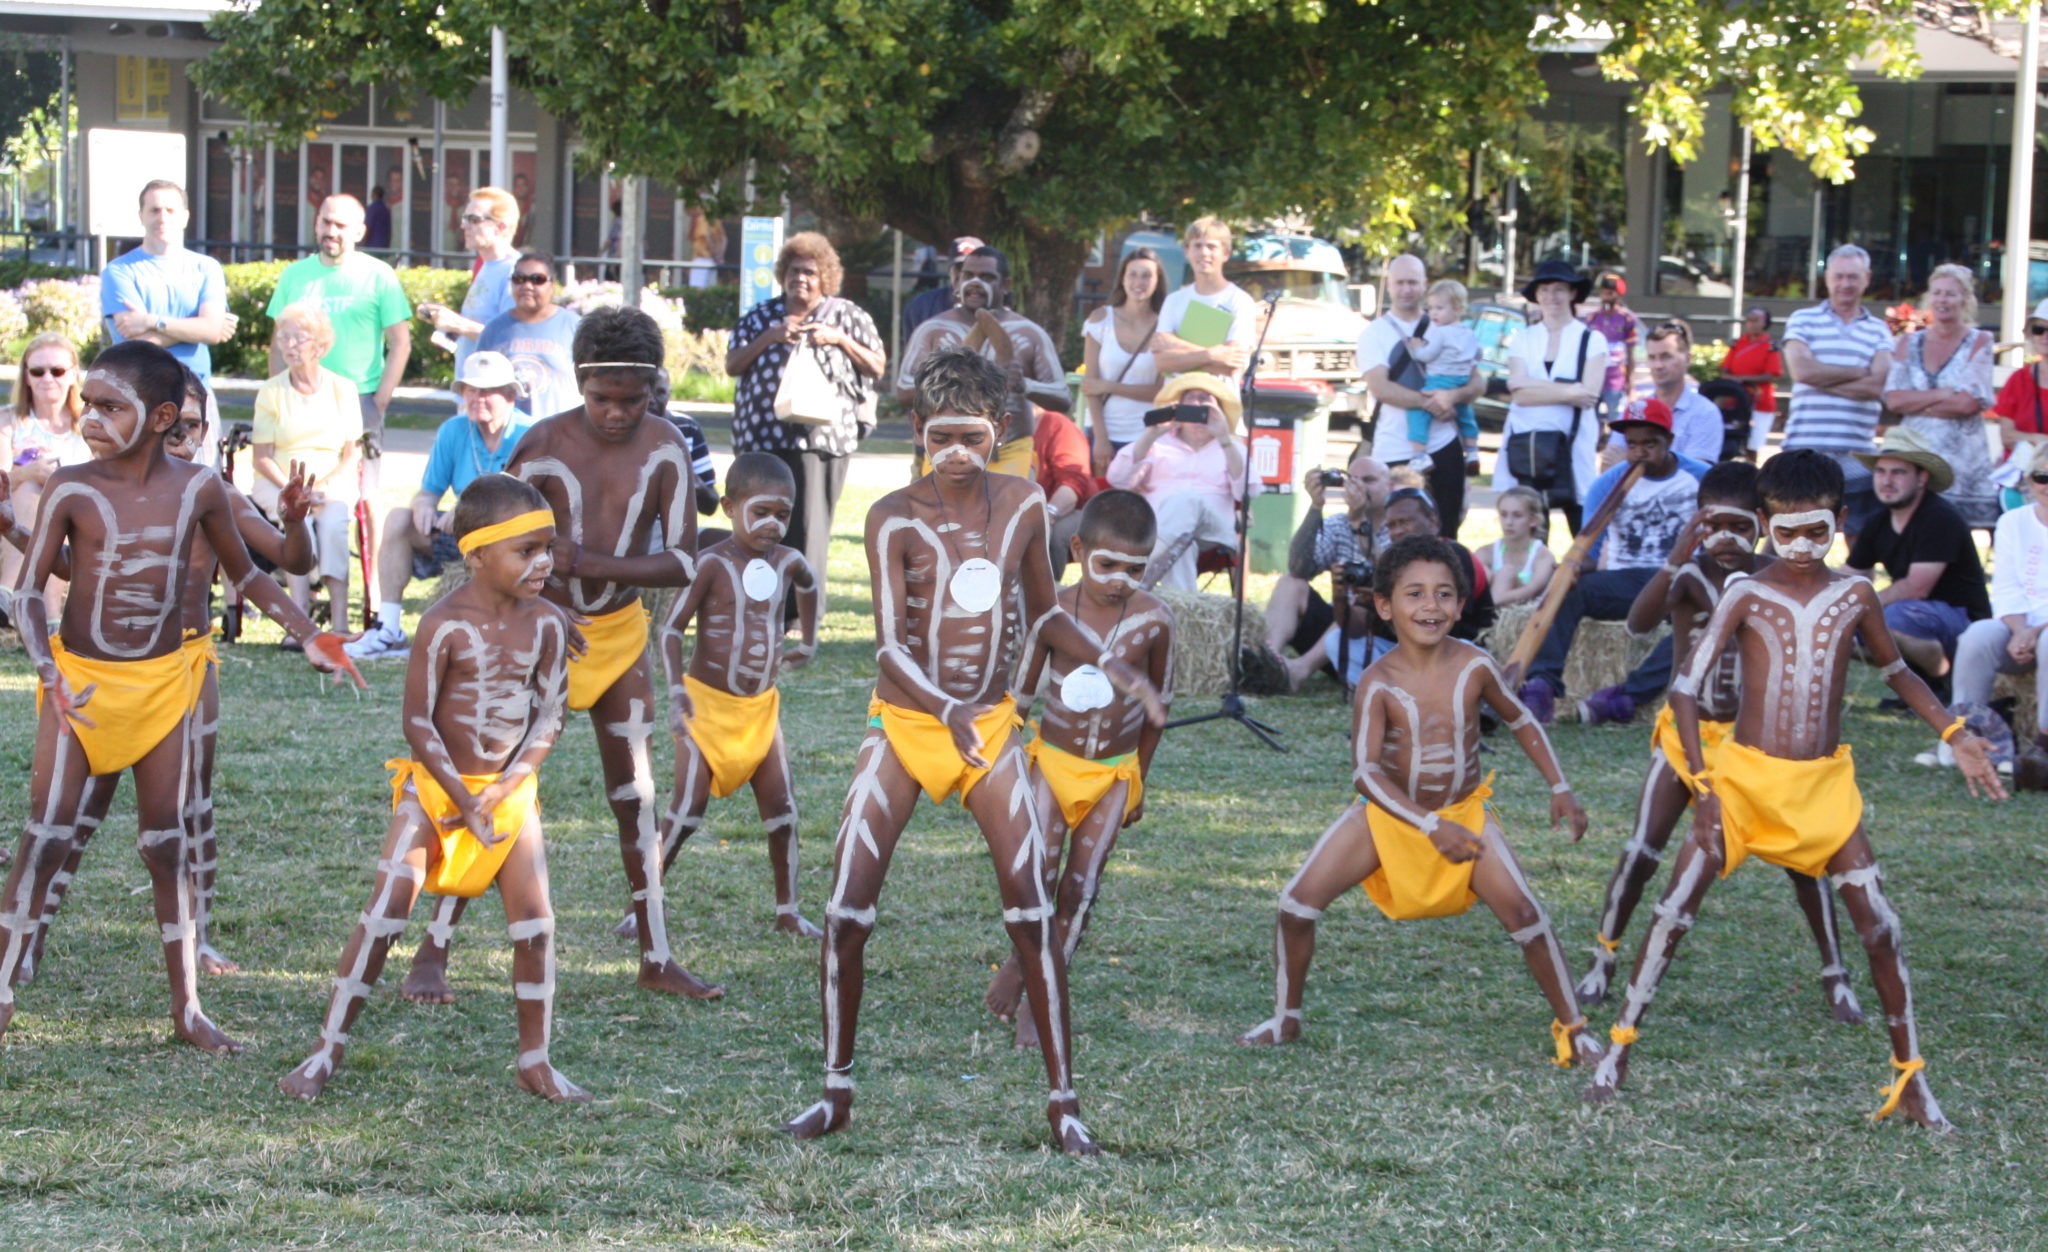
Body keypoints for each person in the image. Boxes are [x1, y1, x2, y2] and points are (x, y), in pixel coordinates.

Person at [780, 349, 1165, 1156]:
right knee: (847, 913)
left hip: (987, 728)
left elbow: (1046, 612)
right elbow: (889, 648)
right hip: (908, 723)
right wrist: (944, 707)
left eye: (975, 437)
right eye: (941, 436)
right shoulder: (891, 514)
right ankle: (834, 1092)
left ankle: (1064, 1106)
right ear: (917, 431)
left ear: (1004, 435)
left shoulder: (1025, 505)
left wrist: (1106, 660)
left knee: (1030, 915)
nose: (957, 454)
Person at [1584, 450, 2006, 1129]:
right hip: (1744, 782)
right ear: (1763, 525)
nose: (1803, 547)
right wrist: (1706, 787)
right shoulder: (1745, 593)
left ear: (1841, 521)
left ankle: (1912, 1082)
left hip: (1822, 788)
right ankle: (1618, 1048)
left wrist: (1954, 732)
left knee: (1881, 928)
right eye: (1786, 533)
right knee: (1673, 910)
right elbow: (1686, 690)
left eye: (1818, 531)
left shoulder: (1855, 594)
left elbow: (1898, 671)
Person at [0, 342, 334, 1053]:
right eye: (88, 404)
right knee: (45, 836)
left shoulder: (201, 488)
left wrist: (309, 633)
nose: (89, 418)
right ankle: (4, 985)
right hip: (82, 686)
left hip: (165, 686)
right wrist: (45, 667)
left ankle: (188, 1010)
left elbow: (253, 575)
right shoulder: (69, 485)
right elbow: (32, 590)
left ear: (160, 418)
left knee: (166, 845)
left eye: (109, 407)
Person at [399, 308, 720, 1004]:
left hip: (619, 636)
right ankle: (433, 949)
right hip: (539, 633)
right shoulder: (542, 444)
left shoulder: (665, 448)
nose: (616, 413)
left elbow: (683, 562)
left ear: (654, 388)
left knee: (635, 796)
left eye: (632, 400)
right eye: (602, 398)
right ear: (579, 383)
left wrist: (592, 561)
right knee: (492, 783)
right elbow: (489, 540)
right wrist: (547, 606)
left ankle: (656, 951)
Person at [279, 475, 589, 1104]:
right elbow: (417, 721)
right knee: (385, 910)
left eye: (547, 549)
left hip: (509, 796)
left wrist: (506, 788)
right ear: (475, 555)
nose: (543, 564)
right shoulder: (443, 623)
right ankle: (325, 1051)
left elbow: (551, 714)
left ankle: (536, 1059)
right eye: (525, 551)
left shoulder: (549, 625)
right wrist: (462, 795)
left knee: (536, 926)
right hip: (437, 791)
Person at [1235, 534, 1599, 1068]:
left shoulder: (1475, 665)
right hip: (1391, 817)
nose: (1431, 606)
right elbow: (1365, 773)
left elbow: (1520, 719)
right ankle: (1286, 1018)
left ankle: (1576, 1028)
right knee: (1295, 905)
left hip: (1463, 814)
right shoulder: (1377, 682)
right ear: (1384, 606)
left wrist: (1560, 786)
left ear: (1460, 604)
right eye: (1415, 594)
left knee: (1526, 913)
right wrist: (1428, 825)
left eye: (1445, 594)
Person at [1571, 461, 1860, 1019]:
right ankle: (1603, 958)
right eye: (1713, 527)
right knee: (1642, 850)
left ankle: (1836, 972)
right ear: (1698, 522)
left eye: (1739, 527)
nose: (1727, 541)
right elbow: (1636, 624)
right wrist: (1677, 554)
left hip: (1754, 744)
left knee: (1803, 859)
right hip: (1686, 735)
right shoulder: (1687, 576)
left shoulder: (1775, 577)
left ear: (1760, 523)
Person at [984, 489, 1173, 1049]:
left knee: (1081, 888)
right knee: (1034, 875)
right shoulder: (1054, 614)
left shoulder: (1155, 621)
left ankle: (1043, 998)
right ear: (1077, 549)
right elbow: (1018, 698)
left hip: (1113, 774)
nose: (1120, 580)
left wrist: (1139, 779)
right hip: (1052, 763)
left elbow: (1157, 709)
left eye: (1135, 569)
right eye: (1107, 564)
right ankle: (1022, 968)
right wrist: (1002, 766)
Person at [645, 453, 821, 940]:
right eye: (760, 512)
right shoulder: (711, 564)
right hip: (706, 707)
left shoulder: (787, 561)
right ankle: (644, 902)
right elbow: (670, 631)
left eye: (783, 515)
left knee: (783, 812)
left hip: (760, 710)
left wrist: (808, 637)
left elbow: (808, 585)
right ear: (728, 506)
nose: (772, 525)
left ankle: (788, 909)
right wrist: (678, 691)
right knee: (686, 811)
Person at [1517, 398, 1709, 726]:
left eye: (1651, 443)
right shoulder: (1607, 484)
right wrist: (1570, 570)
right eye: (1632, 444)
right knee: (1568, 590)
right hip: (1626, 580)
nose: (1640, 453)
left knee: (1701, 621)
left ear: (1670, 442)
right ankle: (1541, 686)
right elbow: (1591, 556)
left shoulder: (1702, 479)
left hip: (1682, 580)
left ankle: (1626, 698)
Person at [726, 232, 886, 613]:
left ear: (825, 276)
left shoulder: (847, 315)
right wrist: (770, 337)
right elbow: (732, 364)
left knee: (810, 528)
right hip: (764, 437)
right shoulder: (761, 316)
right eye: (795, 270)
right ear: (782, 273)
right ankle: (763, 602)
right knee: (762, 521)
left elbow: (878, 365)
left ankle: (803, 612)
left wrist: (839, 340)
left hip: (822, 440)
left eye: (811, 272)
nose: (801, 278)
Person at [348, 351, 537, 659]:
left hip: (511, 539)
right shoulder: (454, 429)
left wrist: (469, 509)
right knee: (398, 518)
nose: (477, 398)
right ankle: (389, 629)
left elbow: (528, 503)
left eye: (487, 391)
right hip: (460, 534)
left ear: (510, 395)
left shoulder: (529, 433)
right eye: (470, 390)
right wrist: (423, 505)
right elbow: (428, 491)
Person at [266, 192, 413, 583]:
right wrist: (276, 391)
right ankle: (303, 577)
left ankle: (376, 587)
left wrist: (379, 400)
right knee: (299, 488)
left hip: (359, 397)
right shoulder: (294, 276)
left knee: (365, 498)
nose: (332, 231)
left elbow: (401, 342)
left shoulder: (379, 275)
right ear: (316, 224)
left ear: (360, 231)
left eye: (341, 225)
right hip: (298, 397)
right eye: (326, 222)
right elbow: (276, 342)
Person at [1264, 487, 1494, 694]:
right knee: (1336, 641)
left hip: (1451, 651)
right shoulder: (1390, 565)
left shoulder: (1454, 555)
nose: (1399, 531)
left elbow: (1444, 621)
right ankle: (1392, 694)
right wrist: (1342, 596)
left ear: (1432, 521)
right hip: (1407, 657)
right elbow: (1354, 630)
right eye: (1392, 525)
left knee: (1466, 652)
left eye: (1406, 521)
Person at [895, 243, 1068, 477]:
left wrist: (1025, 385)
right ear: (957, 280)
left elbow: (1062, 397)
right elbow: (904, 391)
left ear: (1005, 284)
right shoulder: (932, 330)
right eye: (968, 275)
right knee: (944, 515)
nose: (975, 283)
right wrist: (948, 383)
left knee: (1008, 515)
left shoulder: (1029, 333)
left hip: (1010, 451)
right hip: (947, 451)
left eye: (986, 276)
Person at [1845, 428, 1990, 693]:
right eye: (1881, 471)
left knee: (1895, 618)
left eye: (1898, 472)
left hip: (1962, 620)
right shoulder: (1877, 521)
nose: (1886, 481)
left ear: (1922, 477)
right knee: (1841, 627)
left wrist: (1860, 609)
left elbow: (1916, 587)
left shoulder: (1940, 517)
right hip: (1916, 615)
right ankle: (1914, 688)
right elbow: (1852, 573)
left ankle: (1939, 683)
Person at [251, 303, 362, 623]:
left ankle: (340, 622)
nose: (289, 345)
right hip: (277, 479)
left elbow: (351, 454)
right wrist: (292, 490)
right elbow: (261, 458)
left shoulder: (343, 388)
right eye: (283, 338)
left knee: (333, 524)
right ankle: (298, 620)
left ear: (320, 345)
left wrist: (322, 488)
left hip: (331, 480)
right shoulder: (270, 391)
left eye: (298, 338)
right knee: (294, 521)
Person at [1359, 255, 1485, 536]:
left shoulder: (1447, 327)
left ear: (1425, 285)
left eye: (1413, 282)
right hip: (1395, 446)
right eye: (1400, 283)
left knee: (1446, 532)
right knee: (1392, 534)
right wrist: (1431, 403)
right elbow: (1380, 387)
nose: (1406, 289)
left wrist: (1453, 397)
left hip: (1444, 445)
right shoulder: (1375, 333)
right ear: (1388, 285)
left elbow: (1478, 383)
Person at [1782, 244, 1894, 537]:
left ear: (1867, 278)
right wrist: (1859, 373)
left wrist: (1823, 376)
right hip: (1803, 451)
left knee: (1859, 544)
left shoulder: (1879, 330)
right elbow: (1802, 372)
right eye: (1839, 276)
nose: (1845, 284)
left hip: (1857, 456)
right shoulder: (1802, 319)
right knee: (1790, 536)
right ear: (1827, 277)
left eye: (1853, 277)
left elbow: (1880, 384)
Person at [1104, 373, 1255, 591]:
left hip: (1214, 532)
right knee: (1182, 547)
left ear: (1219, 410)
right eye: (1191, 398)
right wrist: (1150, 436)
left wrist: (1224, 438)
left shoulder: (1233, 448)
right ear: (1179, 407)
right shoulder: (1156, 444)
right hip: (1161, 529)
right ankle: (1179, 614)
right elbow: (1117, 479)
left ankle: (1133, 569)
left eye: (1206, 399)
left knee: (1189, 501)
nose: (1198, 404)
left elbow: (1246, 493)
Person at [1249, 451, 1390, 676]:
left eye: (1369, 480)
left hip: (1373, 637)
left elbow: (1388, 579)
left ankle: (1298, 671)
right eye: (1352, 480)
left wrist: (1360, 522)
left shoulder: (1401, 523)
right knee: (1291, 583)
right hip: (1333, 637)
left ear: (1390, 485)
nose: (1359, 487)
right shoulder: (1338, 524)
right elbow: (1300, 568)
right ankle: (1268, 660)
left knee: (1358, 606)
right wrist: (1316, 506)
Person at [1948, 462, 2048, 778]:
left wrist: (2036, 630)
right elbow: (2005, 588)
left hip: (2042, 630)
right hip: (2020, 623)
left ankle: (2043, 745)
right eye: (2042, 476)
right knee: (1978, 636)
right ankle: (1964, 736)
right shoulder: (2013, 522)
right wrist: (2021, 631)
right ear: (2029, 481)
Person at [1495, 259, 1609, 535]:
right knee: (1530, 535)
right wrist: (1569, 390)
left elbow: (1590, 395)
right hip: (1526, 443)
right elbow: (1519, 394)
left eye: (1559, 289)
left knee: (1582, 531)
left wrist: (1535, 388)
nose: (1551, 297)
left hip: (1572, 446)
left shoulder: (1591, 339)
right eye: (1544, 290)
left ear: (1572, 293)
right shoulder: (1524, 338)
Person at [1881, 264, 1998, 529]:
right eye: (1938, 293)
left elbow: (1968, 403)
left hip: (1963, 463)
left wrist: (1918, 401)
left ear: (1965, 300)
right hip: (1915, 452)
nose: (1942, 300)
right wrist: (1943, 393)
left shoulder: (1980, 341)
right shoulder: (1907, 343)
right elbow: (1895, 400)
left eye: (1951, 294)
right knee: (1913, 532)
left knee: (1959, 536)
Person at [99, 180, 236, 383]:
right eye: (154, 210)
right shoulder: (118, 271)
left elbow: (212, 330)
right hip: (141, 389)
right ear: (141, 216)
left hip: (196, 389)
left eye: (170, 210)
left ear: (185, 217)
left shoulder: (207, 267)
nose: (162, 218)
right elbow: (133, 345)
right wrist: (199, 330)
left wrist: (151, 321)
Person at [1, 333, 91, 617]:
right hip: (17, 514)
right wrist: (28, 472)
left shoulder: (90, 423)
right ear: (26, 377)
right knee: (31, 489)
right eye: (38, 371)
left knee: (57, 501)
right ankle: (24, 603)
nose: (47, 378)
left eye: (58, 370)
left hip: (80, 516)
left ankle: (17, 602)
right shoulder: (9, 420)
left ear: (73, 374)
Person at [418, 186, 522, 379]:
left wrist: (456, 324)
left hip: (494, 390)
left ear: (501, 227)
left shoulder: (515, 272)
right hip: (471, 386)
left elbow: (512, 337)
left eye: (474, 220)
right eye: (465, 219)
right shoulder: (485, 264)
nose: (464, 226)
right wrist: (444, 318)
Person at [1081, 247, 1166, 476]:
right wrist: (1100, 439)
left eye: (1147, 275)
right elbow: (1090, 387)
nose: (1139, 281)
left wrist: (1109, 386)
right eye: (1133, 274)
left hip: (1147, 434)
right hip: (1104, 430)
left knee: (1142, 507)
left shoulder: (1165, 325)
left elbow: (1159, 391)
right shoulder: (1101, 319)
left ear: (1158, 280)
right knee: (1104, 505)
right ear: (1122, 278)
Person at [476, 249, 582, 422]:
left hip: (562, 431)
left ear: (552, 285)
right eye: (519, 279)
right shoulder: (494, 330)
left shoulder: (575, 326)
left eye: (537, 279)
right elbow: (481, 384)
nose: (527, 286)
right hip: (510, 434)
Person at [1152, 217, 1259, 383]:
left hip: (1219, 404)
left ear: (1226, 254)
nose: (1204, 253)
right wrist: (1211, 355)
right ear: (1187, 251)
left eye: (1211, 246)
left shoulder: (1240, 301)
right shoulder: (1174, 301)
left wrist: (1176, 351)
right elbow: (1161, 362)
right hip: (1175, 403)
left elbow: (1229, 367)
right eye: (1197, 246)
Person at [1602, 323, 1721, 467]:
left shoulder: (1704, 413)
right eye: (1652, 357)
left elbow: (1693, 477)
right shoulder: (1636, 409)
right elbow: (1608, 463)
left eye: (1666, 357)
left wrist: (1628, 464)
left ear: (1687, 359)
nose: (1658, 365)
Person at [1404, 279, 1483, 475]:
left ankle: (1419, 455)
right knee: (1465, 415)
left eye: (1440, 308)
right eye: (1431, 308)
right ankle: (1472, 451)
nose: (1433, 313)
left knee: (1417, 413)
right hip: (1461, 380)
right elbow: (1478, 354)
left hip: (1439, 379)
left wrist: (1416, 348)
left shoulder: (1440, 333)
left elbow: (1426, 356)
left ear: (1457, 309)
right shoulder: (1469, 333)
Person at [1990, 299, 2048, 511]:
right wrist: (2039, 440)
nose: (2044, 336)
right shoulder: (2019, 379)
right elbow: (2007, 437)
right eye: (2039, 329)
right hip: (2022, 482)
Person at [1032, 402, 1098, 577]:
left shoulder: (1057, 425)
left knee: (1053, 534)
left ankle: (1048, 594)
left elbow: (1072, 485)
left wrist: (1048, 514)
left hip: (1077, 509)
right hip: (1019, 510)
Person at [1475, 485, 1555, 608]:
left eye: (1517, 515)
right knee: (1487, 572)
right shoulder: (1486, 552)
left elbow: (1531, 591)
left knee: (1507, 572)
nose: (1509, 522)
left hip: (1524, 616)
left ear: (1533, 520)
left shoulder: (1542, 555)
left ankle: (1488, 614)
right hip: (1493, 605)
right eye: (1504, 515)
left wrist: (1494, 601)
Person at [1721, 306, 1784, 455]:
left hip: (1760, 400)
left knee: (1753, 445)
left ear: (1765, 323)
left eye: (1756, 320)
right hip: (1735, 400)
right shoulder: (1737, 344)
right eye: (1749, 320)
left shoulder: (1770, 346)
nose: (1751, 324)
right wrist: (1729, 378)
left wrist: (1741, 379)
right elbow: (1725, 368)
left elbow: (1771, 374)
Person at [1584, 270, 1640, 424]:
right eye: (1603, 293)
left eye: (1610, 293)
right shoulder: (1592, 318)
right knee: (1590, 419)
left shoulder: (1626, 319)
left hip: (1615, 379)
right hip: (1593, 379)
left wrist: (1631, 383)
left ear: (1618, 295)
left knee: (1615, 417)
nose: (1606, 297)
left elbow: (1631, 353)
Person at [901, 235, 983, 340]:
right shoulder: (921, 307)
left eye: (972, 268)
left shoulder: (998, 311)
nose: (964, 275)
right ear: (950, 271)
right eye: (959, 268)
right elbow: (913, 353)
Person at [363, 183, 393, 250]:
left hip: (372, 245)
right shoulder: (386, 210)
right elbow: (389, 229)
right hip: (384, 245)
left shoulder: (372, 208)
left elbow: (368, 227)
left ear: (374, 194)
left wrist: (363, 243)